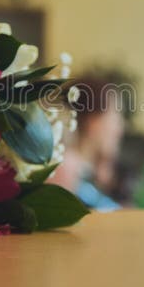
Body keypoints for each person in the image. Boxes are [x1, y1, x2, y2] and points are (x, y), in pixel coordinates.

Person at [49, 78, 124, 210]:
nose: (119, 127)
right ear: (93, 120)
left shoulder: (87, 170)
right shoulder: (66, 166)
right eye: (115, 115)